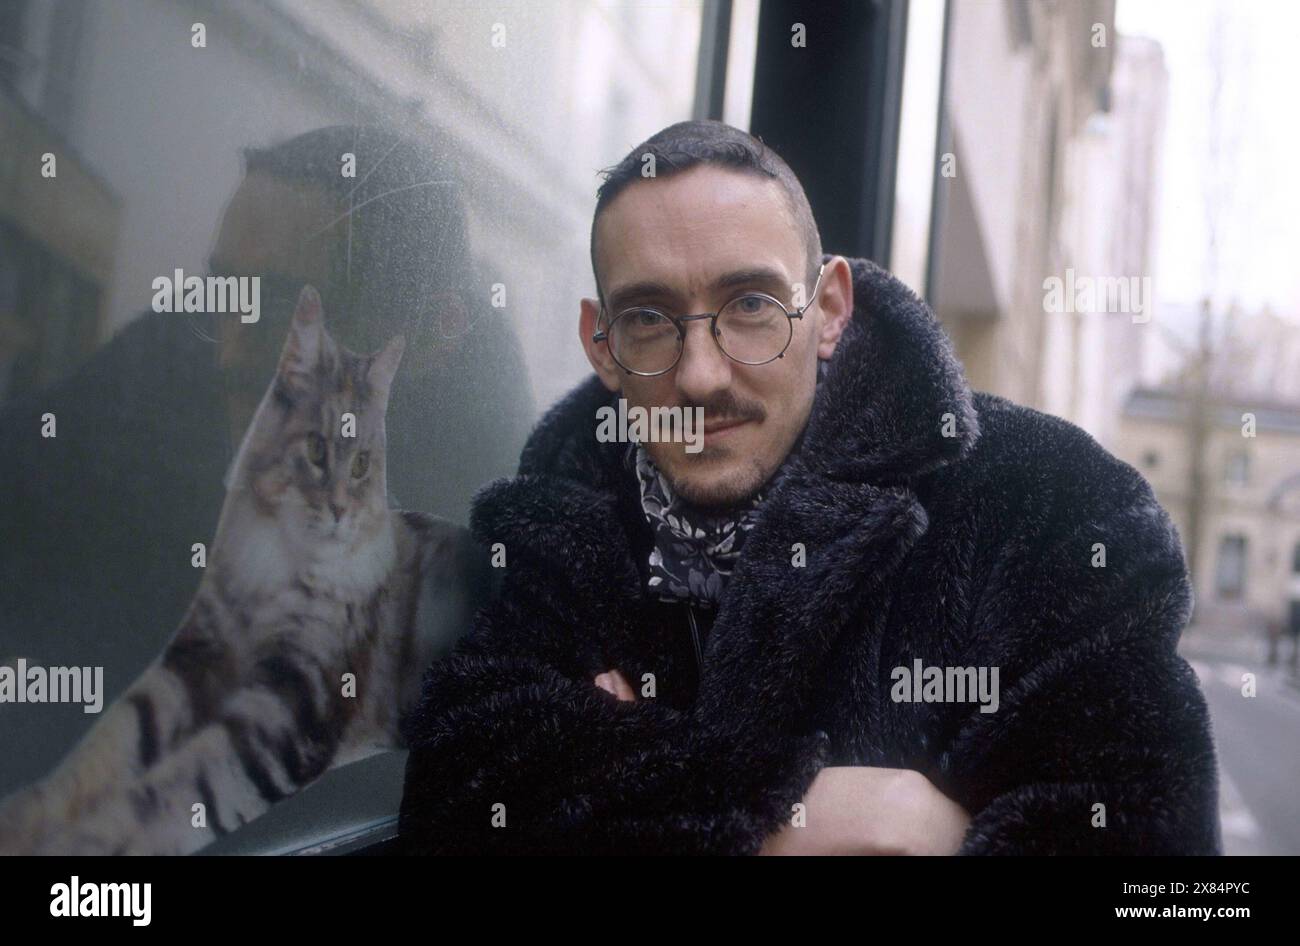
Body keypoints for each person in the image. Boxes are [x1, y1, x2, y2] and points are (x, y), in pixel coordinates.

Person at [395, 119, 1223, 856]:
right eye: (649, 318)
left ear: (828, 310)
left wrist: (626, 762)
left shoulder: (1041, 506)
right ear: (601, 344)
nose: (701, 375)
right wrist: (808, 810)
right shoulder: (564, 512)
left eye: (749, 304)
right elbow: (461, 791)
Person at [0, 125, 532, 800]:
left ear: (432, 336)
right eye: (225, 290)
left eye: (285, 307)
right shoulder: (166, 368)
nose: (231, 349)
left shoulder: (487, 496)